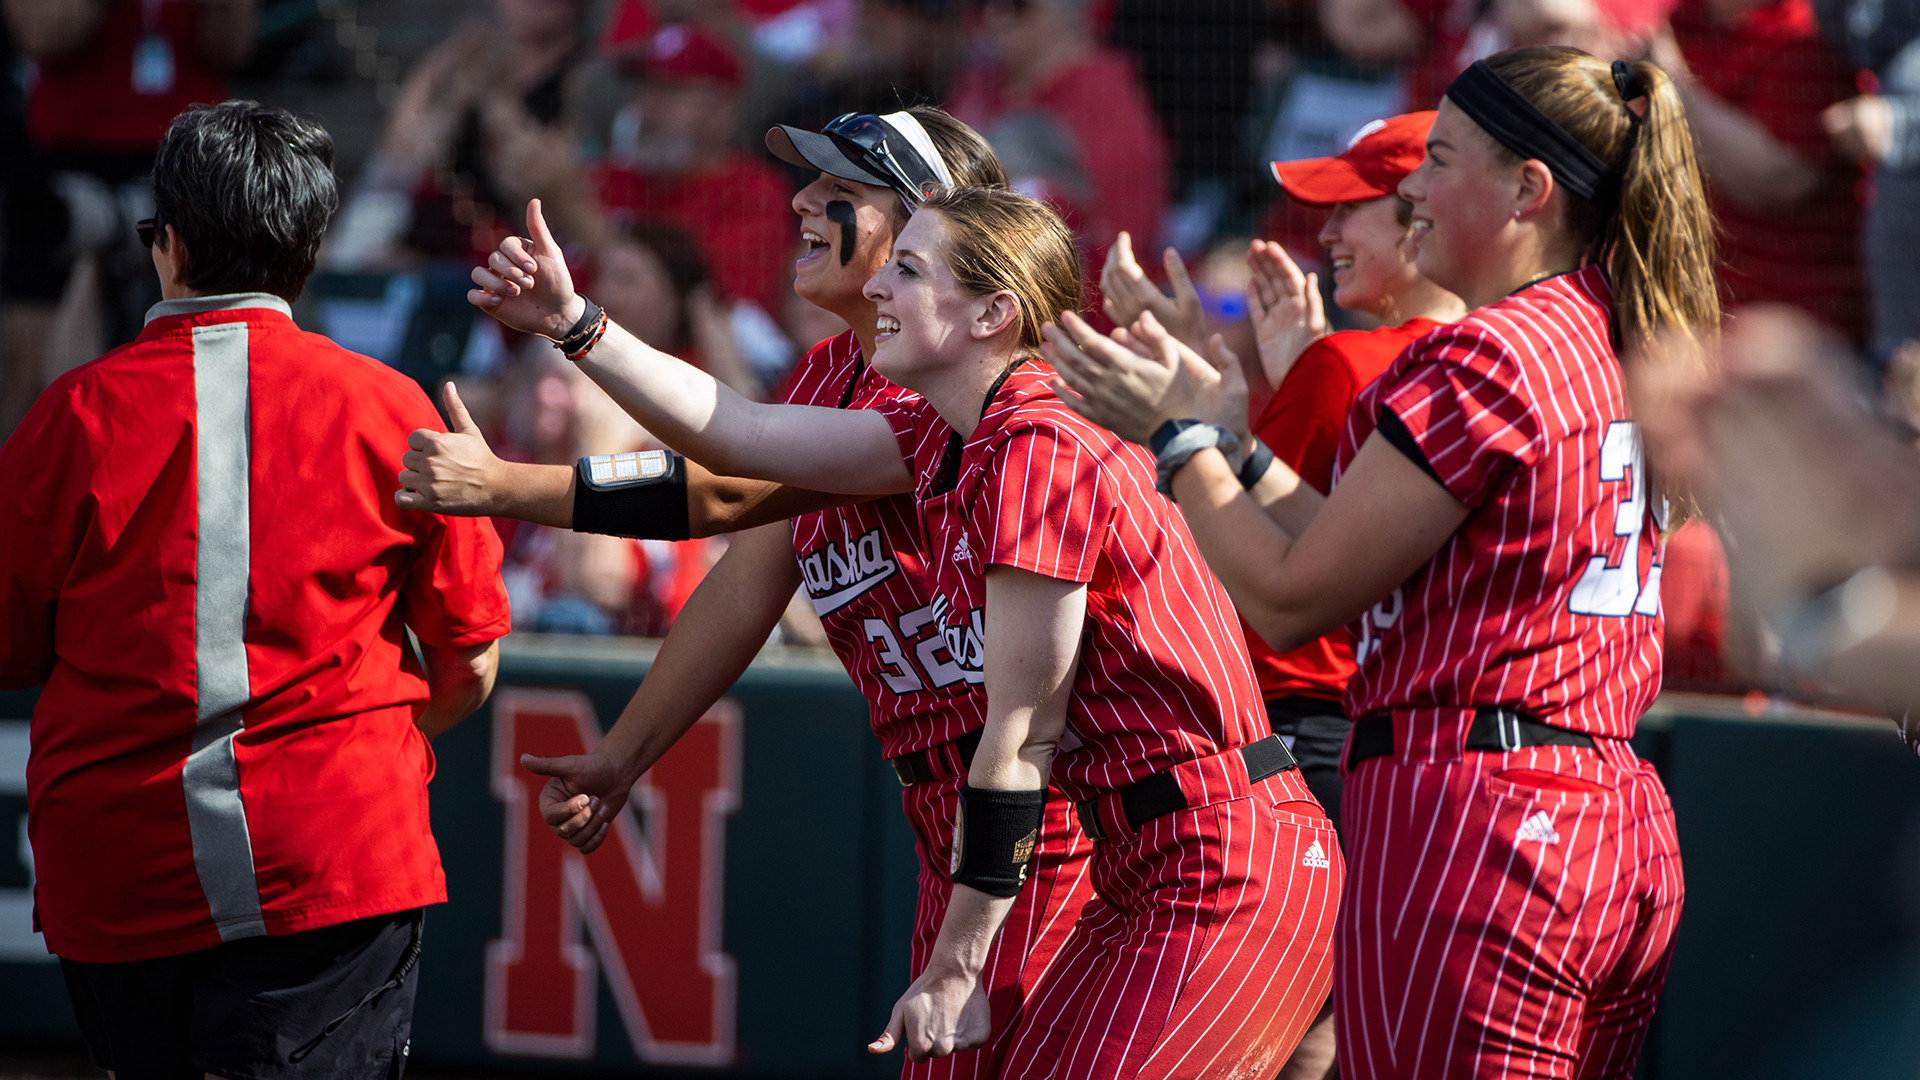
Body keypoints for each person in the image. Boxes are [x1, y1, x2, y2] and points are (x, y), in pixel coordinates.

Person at [465, 181, 1342, 1078]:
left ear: (994, 310)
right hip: (1114, 857)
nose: (882, 281)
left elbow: (1020, 737)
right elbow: (730, 446)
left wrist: (958, 965)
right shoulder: (945, 441)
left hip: (1202, 854)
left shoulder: (1034, 443)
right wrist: (577, 325)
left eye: (910, 264)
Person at [1050, 45, 1712, 1078]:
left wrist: (1176, 440)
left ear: (1529, 190)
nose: (1414, 190)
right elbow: (1355, 538)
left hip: (1478, 826)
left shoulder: (1491, 349)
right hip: (1605, 815)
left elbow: (1288, 598)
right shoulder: (1614, 331)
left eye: (1441, 161)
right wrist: (1232, 445)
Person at [410, 109, 1101, 1080]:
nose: (802, 204)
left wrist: (510, 478)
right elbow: (745, 579)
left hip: (1041, 819)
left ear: (929, 227)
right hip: (954, 825)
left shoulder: (950, 388)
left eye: (841, 193)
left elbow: (723, 487)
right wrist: (622, 755)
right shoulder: (829, 375)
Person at [0, 101, 509, 1077]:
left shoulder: (72, 416)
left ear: (169, 247)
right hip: (332, 856)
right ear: (308, 255)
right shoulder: (390, 407)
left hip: (119, 873)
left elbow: (11, 644)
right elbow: (470, 660)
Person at [1103, 108, 1467, 1080]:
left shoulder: (1349, 363)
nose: (1327, 234)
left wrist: (1185, 403)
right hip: (1417, 753)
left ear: (1424, 218)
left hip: (1293, 735)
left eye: (1353, 210)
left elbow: (1227, 550)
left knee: (1264, 1042)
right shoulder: (1462, 363)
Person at [1, 0, 258, 435]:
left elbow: (232, 45)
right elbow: (42, 33)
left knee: (190, 368)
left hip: (188, 157)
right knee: (34, 383)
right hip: (68, 158)